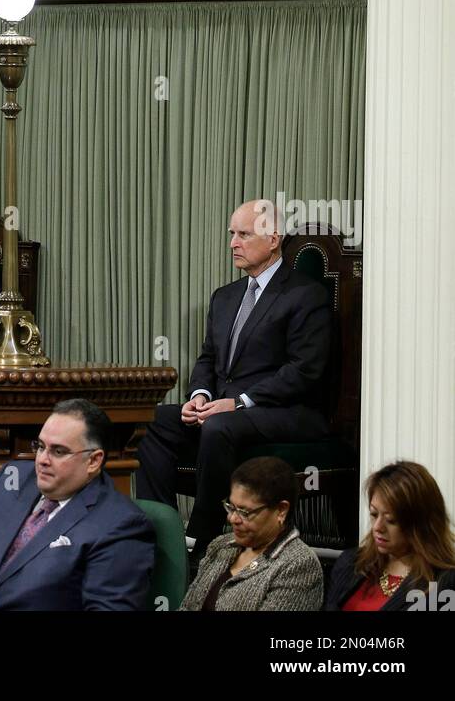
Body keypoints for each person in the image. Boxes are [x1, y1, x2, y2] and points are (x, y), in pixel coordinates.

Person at [136, 199, 332, 549]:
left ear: (273, 239)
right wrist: (201, 396)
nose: (233, 243)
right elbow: (208, 359)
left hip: (286, 412)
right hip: (223, 413)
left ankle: (201, 538)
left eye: (243, 234)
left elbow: (303, 371)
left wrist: (239, 403)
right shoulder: (224, 297)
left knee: (218, 427)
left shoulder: (306, 294)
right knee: (152, 420)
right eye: (232, 234)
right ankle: (161, 532)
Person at [0, 397, 154, 610]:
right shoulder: (14, 479)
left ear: (93, 461)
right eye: (40, 447)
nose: (42, 460)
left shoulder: (119, 525)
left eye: (58, 451)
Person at [180, 457, 322, 611]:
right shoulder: (221, 546)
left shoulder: (299, 565)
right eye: (231, 507)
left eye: (244, 512)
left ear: (281, 510)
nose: (232, 518)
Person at [326, 461, 455, 611]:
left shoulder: (444, 582)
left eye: (391, 520)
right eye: (374, 514)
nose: (377, 527)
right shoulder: (350, 562)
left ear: (420, 523)